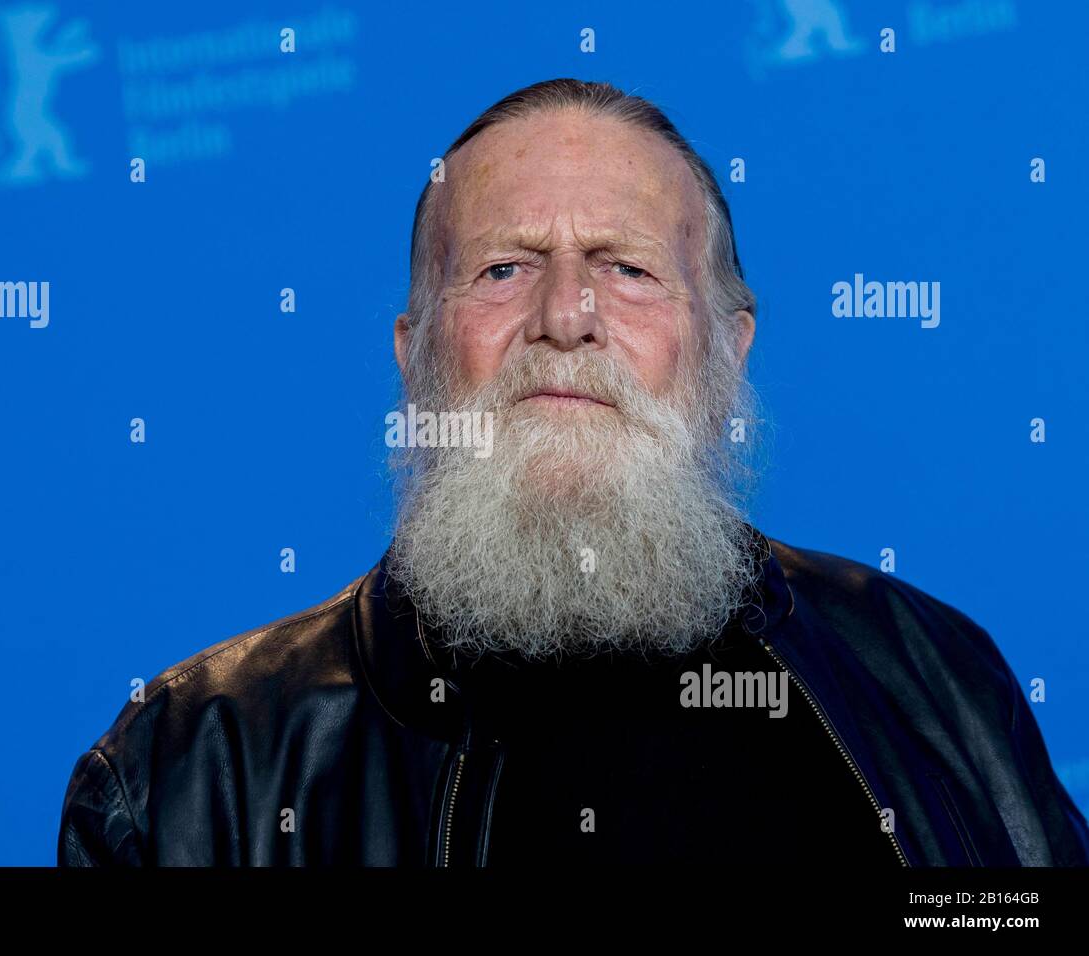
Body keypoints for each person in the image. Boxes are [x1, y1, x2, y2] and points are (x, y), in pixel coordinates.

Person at [58, 78, 1088, 866]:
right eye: (503, 269)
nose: (563, 317)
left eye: (626, 268)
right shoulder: (193, 767)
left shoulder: (935, 675)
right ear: (414, 357)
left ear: (728, 355)